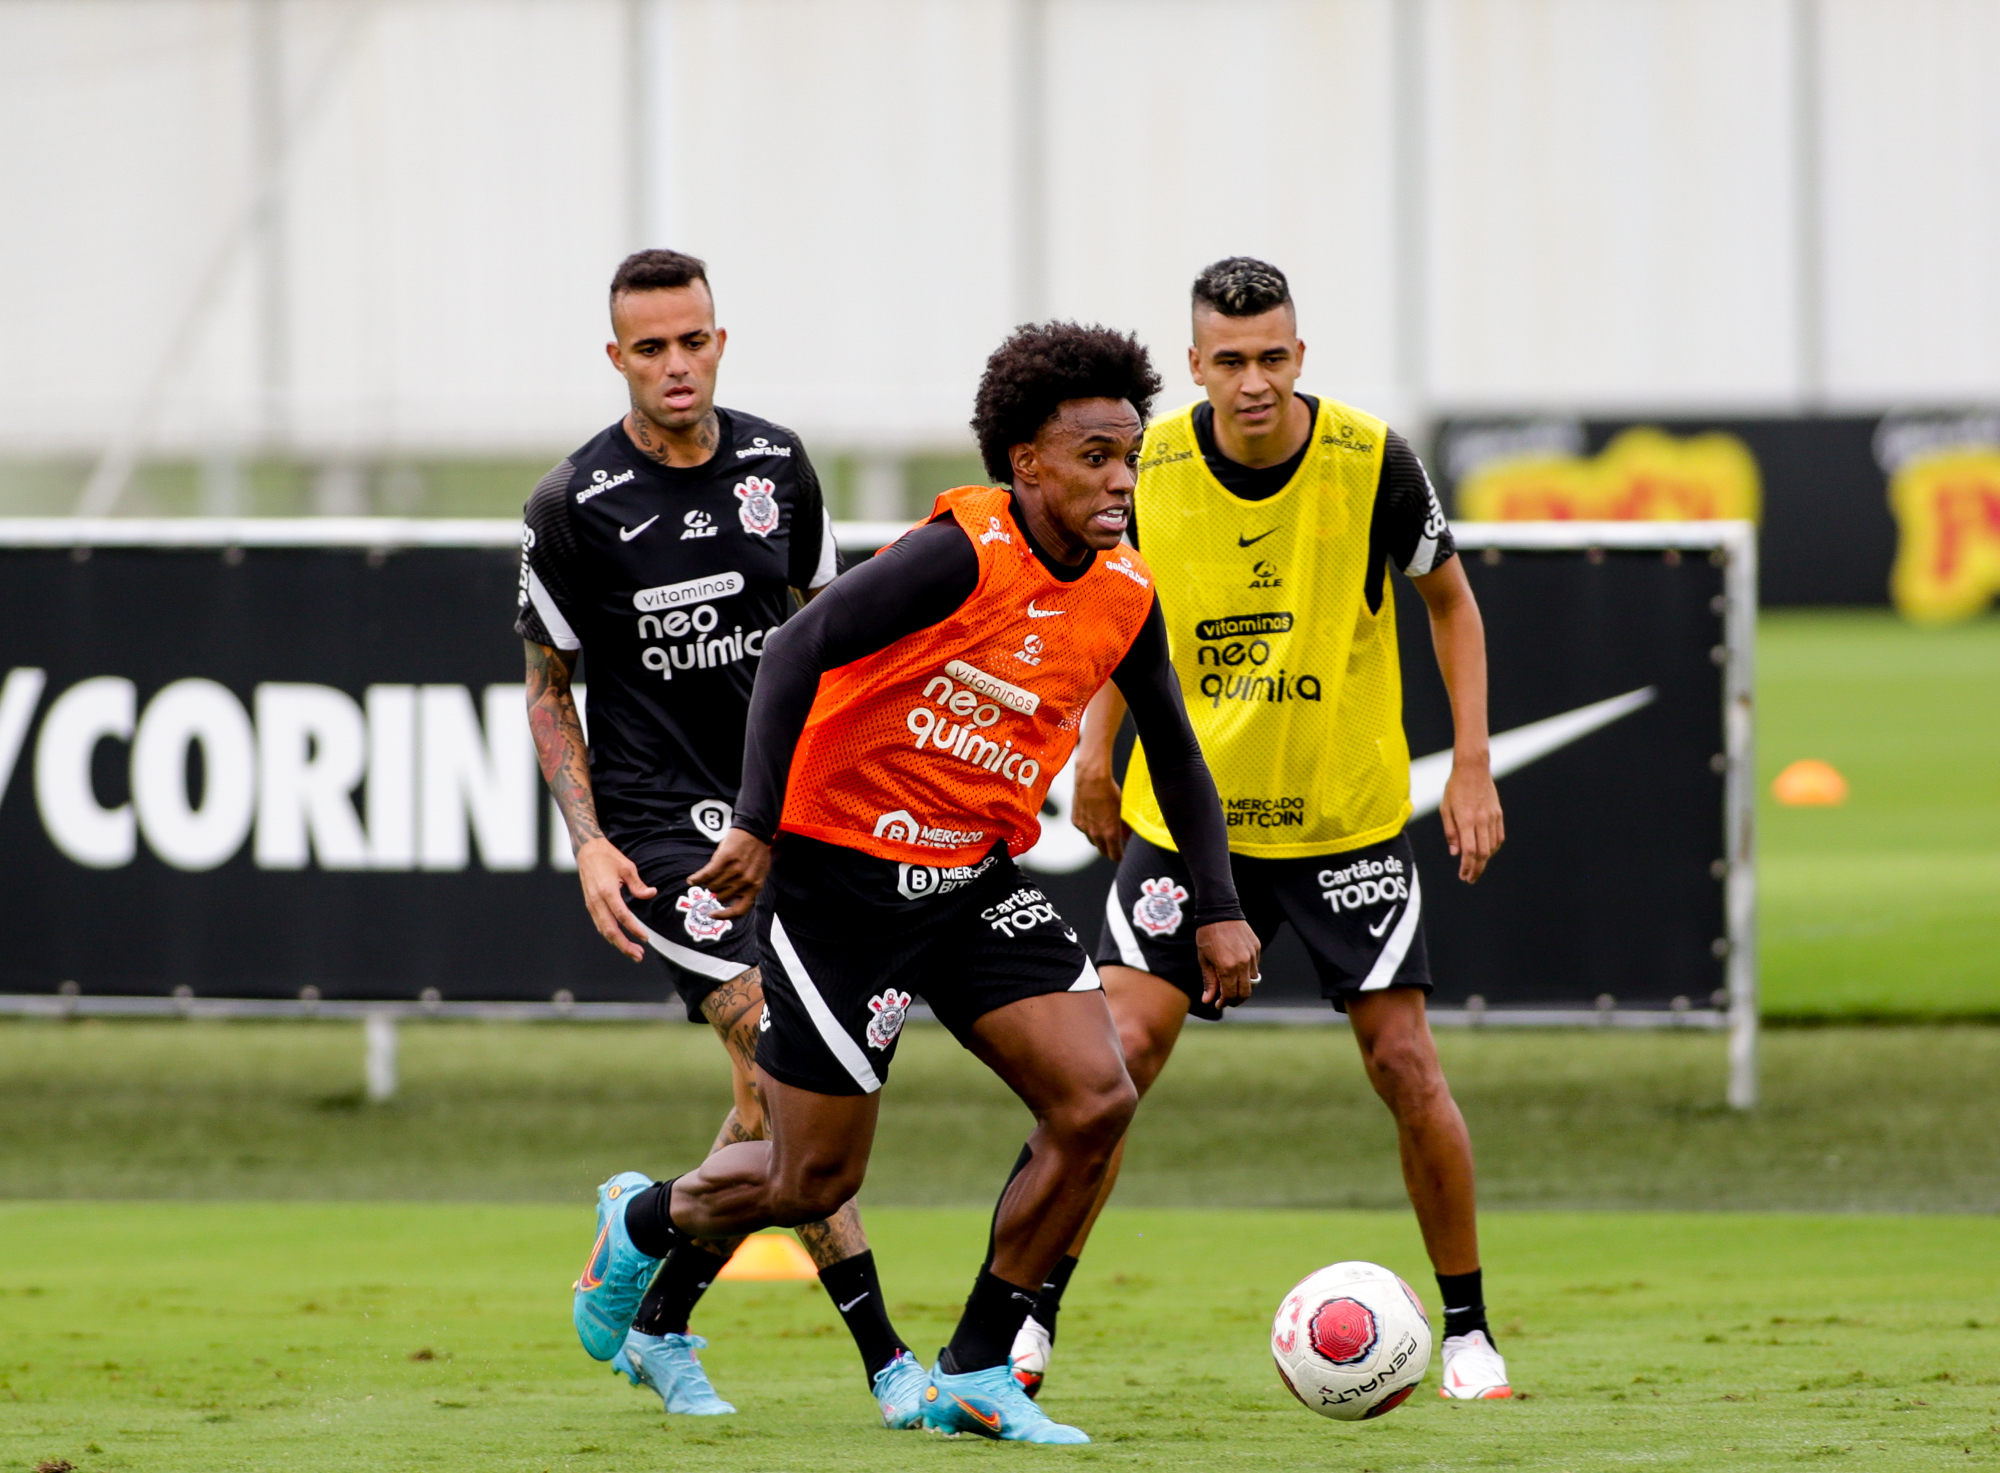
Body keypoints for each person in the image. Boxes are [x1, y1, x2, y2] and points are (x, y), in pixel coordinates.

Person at [566, 322, 1260, 1444]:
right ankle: (644, 1215)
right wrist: (755, 828)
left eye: (1129, 454)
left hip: (972, 878)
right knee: (805, 1182)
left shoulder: (1124, 589)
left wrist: (1220, 908)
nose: (1120, 480)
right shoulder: (960, 551)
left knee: (1095, 1099)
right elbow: (794, 654)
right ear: (1025, 463)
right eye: (1094, 456)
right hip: (842, 881)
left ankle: (978, 1369)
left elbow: (1172, 750)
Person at [1006, 257, 1513, 1403]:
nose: (1250, 382)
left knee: (1403, 1063)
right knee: (1112, 1065)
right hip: (1188, 831)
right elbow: (1108, 605)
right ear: (1192, 366)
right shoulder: (1149, 465)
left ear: (1300, 354)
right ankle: (1028, 1318)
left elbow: (1452, 605)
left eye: (1271, 358)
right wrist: (1094, 748)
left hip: (1343, 822)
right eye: (1227, 361)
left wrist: (1470, 766)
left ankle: (1470, 1332)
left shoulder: (1373, 461)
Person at [519, 248, 915, 1422]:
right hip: (662, 830)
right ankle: (891, 1366)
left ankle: (643, 1263)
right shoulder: (570, 508)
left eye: (692, 340)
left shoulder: (775, 466)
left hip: (785, 819)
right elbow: (548, 689)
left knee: (763, 1109)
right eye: (650, 348)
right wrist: (591, 841)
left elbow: (830, 640)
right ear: (615, 359)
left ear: (719, 341)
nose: (675, 365)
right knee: (789, 1085)